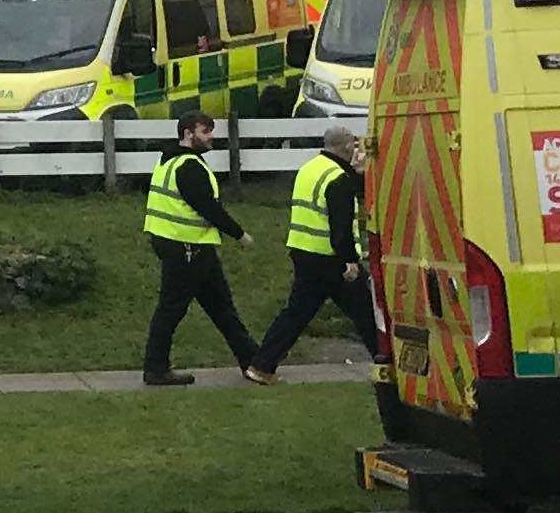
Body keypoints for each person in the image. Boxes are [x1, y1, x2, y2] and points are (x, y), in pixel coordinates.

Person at [138, 110, 265, 386]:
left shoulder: (168, 161)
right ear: (188, 134)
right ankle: (155, 368)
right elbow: (209, 208)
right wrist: (240, 234)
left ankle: (253, 361)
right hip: (187, 246)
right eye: (205, 131)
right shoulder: (190, 167)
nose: (211, 137)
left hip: (182, 245)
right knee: (173, 309)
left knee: (221, 307)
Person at [249, 130, 380, 381]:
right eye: (354, 146)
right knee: (365, 312)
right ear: (345, 148)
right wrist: (349, 260)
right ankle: (387, 363)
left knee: (296, 313)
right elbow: (340, 225)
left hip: (303, 250)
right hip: (330, 258)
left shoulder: (310, 168)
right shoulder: (338, 178)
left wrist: (358, 173)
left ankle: (262, 365)